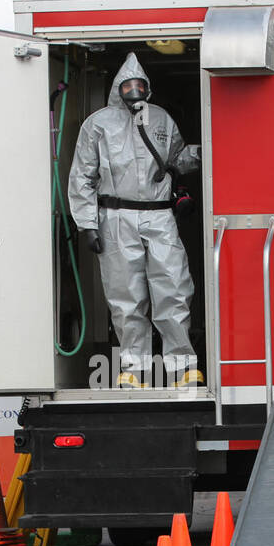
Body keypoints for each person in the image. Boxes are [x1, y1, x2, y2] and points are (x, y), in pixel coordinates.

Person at [69, 53, 202, 389]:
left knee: (173, 287)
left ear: (148, 87)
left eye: (140, 85)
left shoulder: (160, 119)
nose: (134, 90)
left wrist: (210, 149)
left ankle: (182, 365)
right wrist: (86, 223)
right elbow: (81, 176)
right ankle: (134, 367)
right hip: (116, 216)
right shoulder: (98, 124)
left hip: (159, 214)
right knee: (125, 294)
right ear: (118, 88)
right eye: (128, 85)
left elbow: (176, 158)